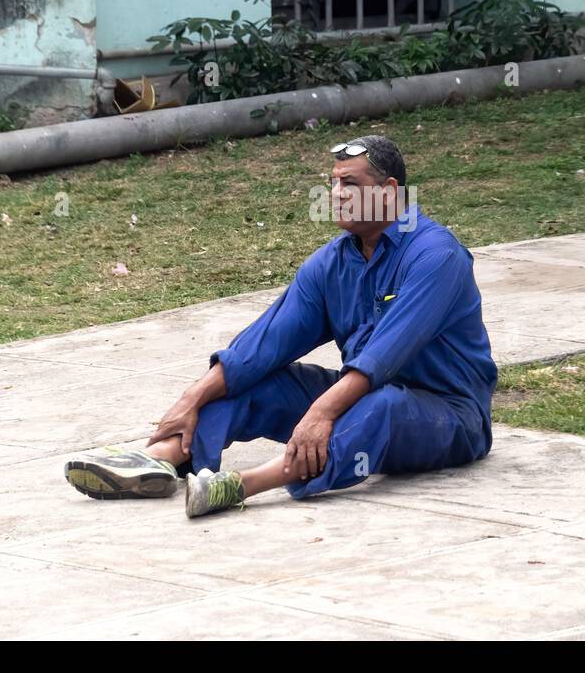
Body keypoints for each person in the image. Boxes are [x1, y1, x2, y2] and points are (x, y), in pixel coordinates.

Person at [63, 135, 497, 517]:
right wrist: (193, 396)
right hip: (362, 394)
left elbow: (382, 358)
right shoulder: (333, 262)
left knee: (380, 406)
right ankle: (157, 459)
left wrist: (320, 413)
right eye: (333, 182)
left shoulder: (436, 255)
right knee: (253, 380)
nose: (336, 194)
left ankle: (240, 486)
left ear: (388, 192)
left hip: (450, 416)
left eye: (350, 184)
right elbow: (265, 343)